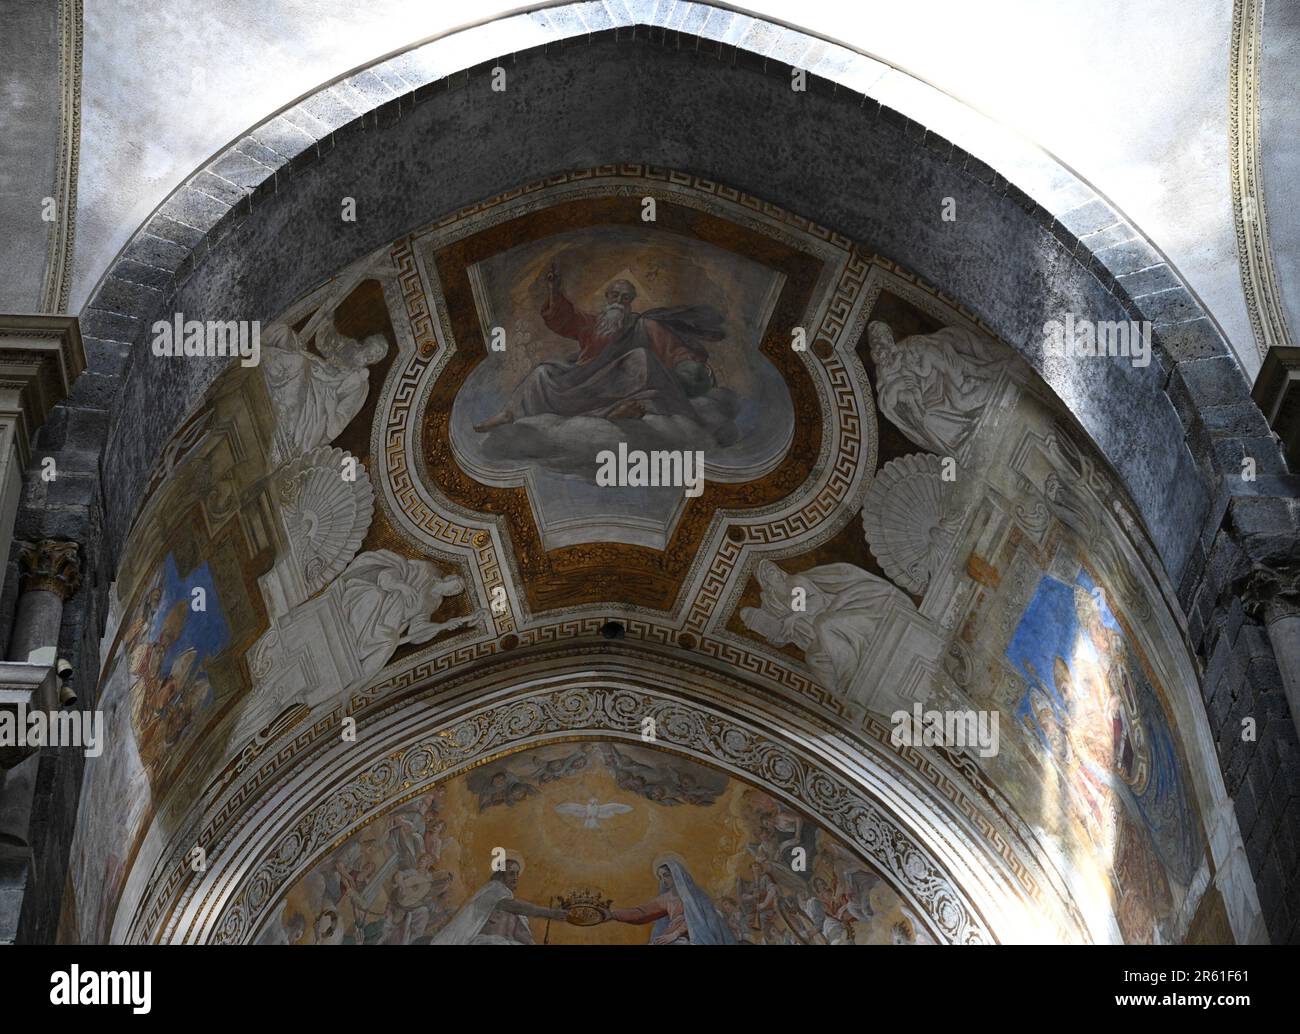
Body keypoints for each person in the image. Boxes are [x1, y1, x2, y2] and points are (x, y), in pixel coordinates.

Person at [472, 264, 723, 430]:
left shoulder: (644, 325)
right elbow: (564, 319)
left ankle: (614, 413)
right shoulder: (594, 323)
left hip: (625, 382)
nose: (619, 302)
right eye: (615, 296)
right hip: (584, 380)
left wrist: (695, 367)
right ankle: (509, 413)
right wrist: (553, 290)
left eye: (625, 298)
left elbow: (674, 352)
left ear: (632, 302)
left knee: (642, 357)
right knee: (542, 373)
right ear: (607, 298)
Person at [431, 856, 568, 944]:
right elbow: (515, 907)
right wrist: (550, 913)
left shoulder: (516, 911)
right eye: (511, 873)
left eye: (517, 874)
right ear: (500, 875)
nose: (515, 877)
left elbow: (521, 935)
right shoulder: (492, 891)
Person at [600, 855, 735, 944]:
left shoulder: (696, 895)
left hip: (694, 937)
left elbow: (700, 918)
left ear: (676, 874)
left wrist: (675, 934)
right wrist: (613, 914)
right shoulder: (666, 898)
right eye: (661, 877)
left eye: (666, 875)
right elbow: (641, 912)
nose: (664, 880)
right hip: (670, 937)